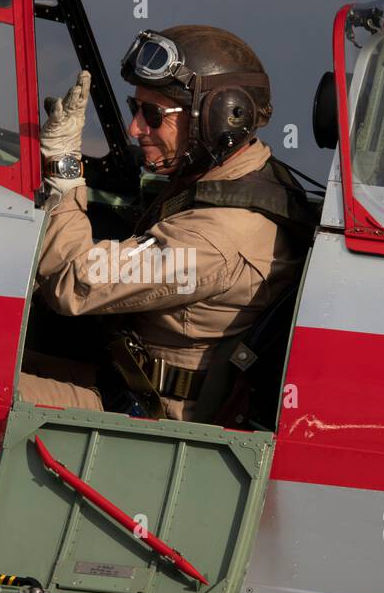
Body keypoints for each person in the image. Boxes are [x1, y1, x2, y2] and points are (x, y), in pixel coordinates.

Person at [18, 25, 314, 423]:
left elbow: (73, 284)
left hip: (151, 414)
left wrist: (64, 168)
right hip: (126, 380)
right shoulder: (240, 173)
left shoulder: (216, 238)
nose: (135, 128)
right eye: (134, 108)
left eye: (153, 115)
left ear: (219, 119)